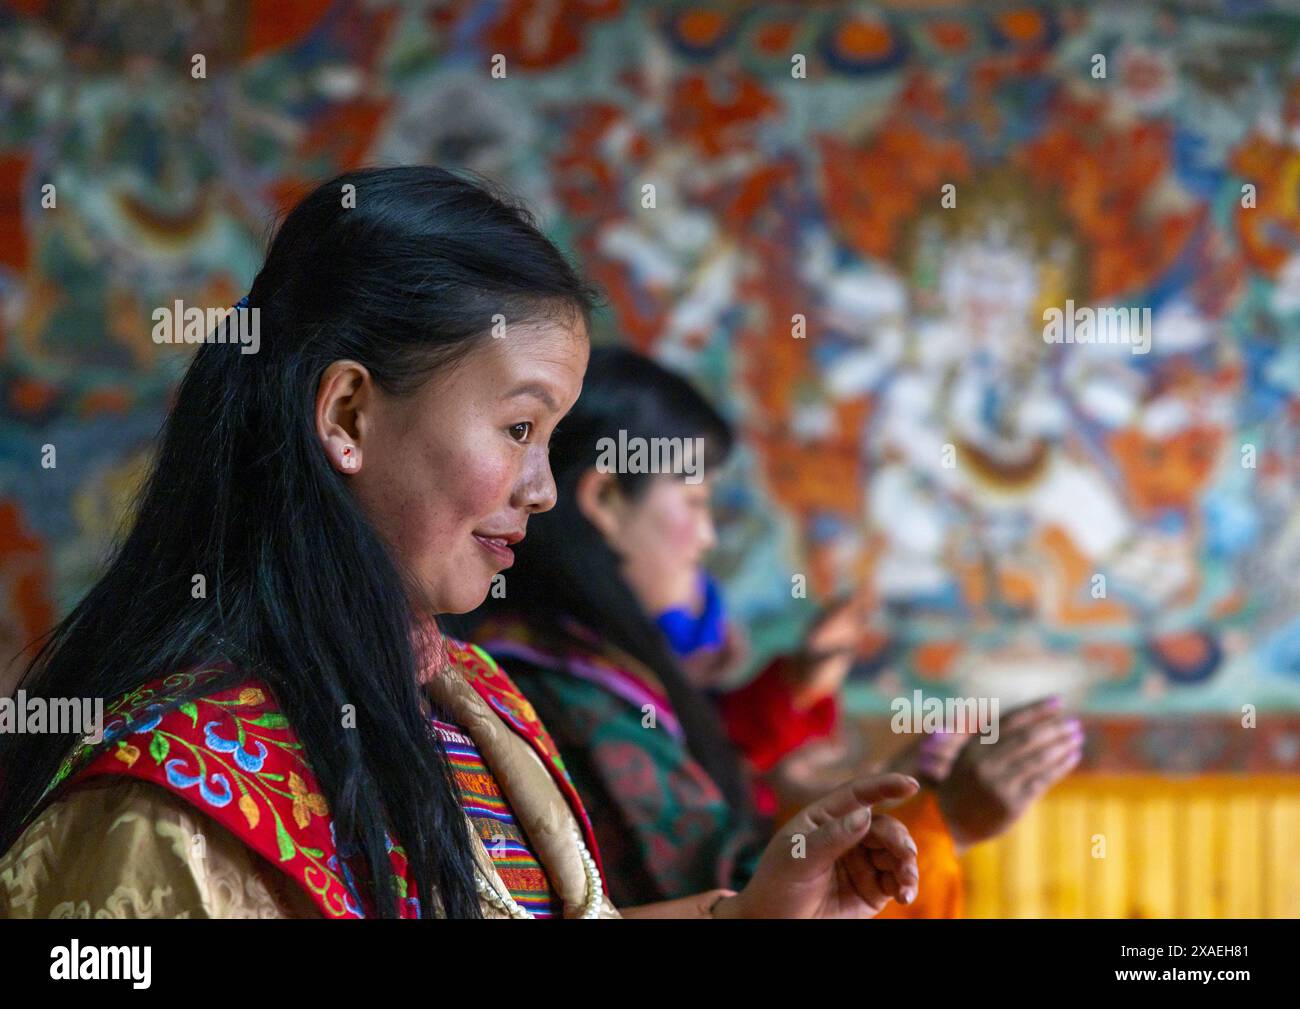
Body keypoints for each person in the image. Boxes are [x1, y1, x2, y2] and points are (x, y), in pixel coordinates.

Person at [0, 167, 920, 920]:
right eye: (519, 428)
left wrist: (751, 915)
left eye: (552, 440)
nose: (544, 489)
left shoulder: (474, 700)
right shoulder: (172, 804)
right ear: (349, 414)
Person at [469, 346, 1084, 913]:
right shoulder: (566, 694)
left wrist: (881, 792)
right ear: (605, 500)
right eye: (695, 502)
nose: (706, 538)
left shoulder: (572, 665)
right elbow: (744, 896)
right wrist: (945, 816)